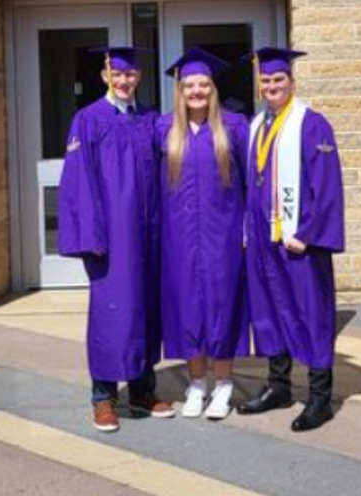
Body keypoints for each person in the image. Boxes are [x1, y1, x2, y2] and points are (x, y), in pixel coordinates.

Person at [58, 45, 173, 432]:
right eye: (117, 74)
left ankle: (142, 389)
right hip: (111, 237)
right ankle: (103, 397)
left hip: (148, 234)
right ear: (106, 75)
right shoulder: (88, 119)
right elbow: (78, 181)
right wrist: (91, 235)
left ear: (138, 77)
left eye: (131, 74)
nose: (124, 81)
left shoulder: (149, 117)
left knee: (144, 309)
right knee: (111, 312)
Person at [236, 47, 345, 432]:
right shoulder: (255, 126)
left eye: (278, 79)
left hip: (298, 241)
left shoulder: (312, 124)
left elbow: (327, 187)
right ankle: (278, 386)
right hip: (264, 240)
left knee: (311, 312)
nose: (271, 86)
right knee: (268, 312)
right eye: (265, 81)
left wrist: (308, 233)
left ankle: (320, 398)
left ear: (291, 82)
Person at [157, 48, 250, 420]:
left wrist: (249, 229)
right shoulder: (163, 129)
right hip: (178, 239)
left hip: (224, 238)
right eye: (189, 86)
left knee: (223, 308)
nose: (196, 91)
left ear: (213, 89)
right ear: (180, 91)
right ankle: (197, 385)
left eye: (203, 85)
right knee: (189, 309)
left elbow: (254, 184)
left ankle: (224, 387)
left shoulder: (235, 127)